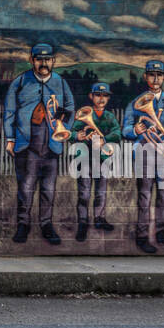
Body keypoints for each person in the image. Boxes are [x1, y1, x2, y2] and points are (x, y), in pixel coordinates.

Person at [3, 42, 75, 245]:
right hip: (27, 143)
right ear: (32, 60)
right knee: (26, 187)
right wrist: (10, 139)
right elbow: (9, 111)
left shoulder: (60, 82)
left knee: (48, 188)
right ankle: (23, 225)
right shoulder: (20, 82)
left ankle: (46, 225)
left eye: (47, 59)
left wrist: (65, 127)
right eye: (39, 59)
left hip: (51, 143)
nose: (43, 63)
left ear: (53, 61)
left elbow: (69, 105)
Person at [122, 59, 164, 253]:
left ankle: (159, 232)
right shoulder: (135, 103)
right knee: (144, 196)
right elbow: (125, 129)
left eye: (159, 75)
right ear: (145, 77)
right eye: (151, 75)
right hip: (144, 153)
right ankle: (142, 236)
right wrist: (135, 129)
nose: (155, 79)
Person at [70, 82, 120, 241]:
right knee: (84, 193)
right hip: (85, 160)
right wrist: (79, 136)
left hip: (102, 160)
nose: (101, 99)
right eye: (98, 95)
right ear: (91, 96)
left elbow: (117, 133)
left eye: (105, 96)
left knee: (101, 193)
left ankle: (99, 219)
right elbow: (71, 133)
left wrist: (104, 140)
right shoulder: (85, 113)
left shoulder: (110, 117)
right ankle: (83, 223)